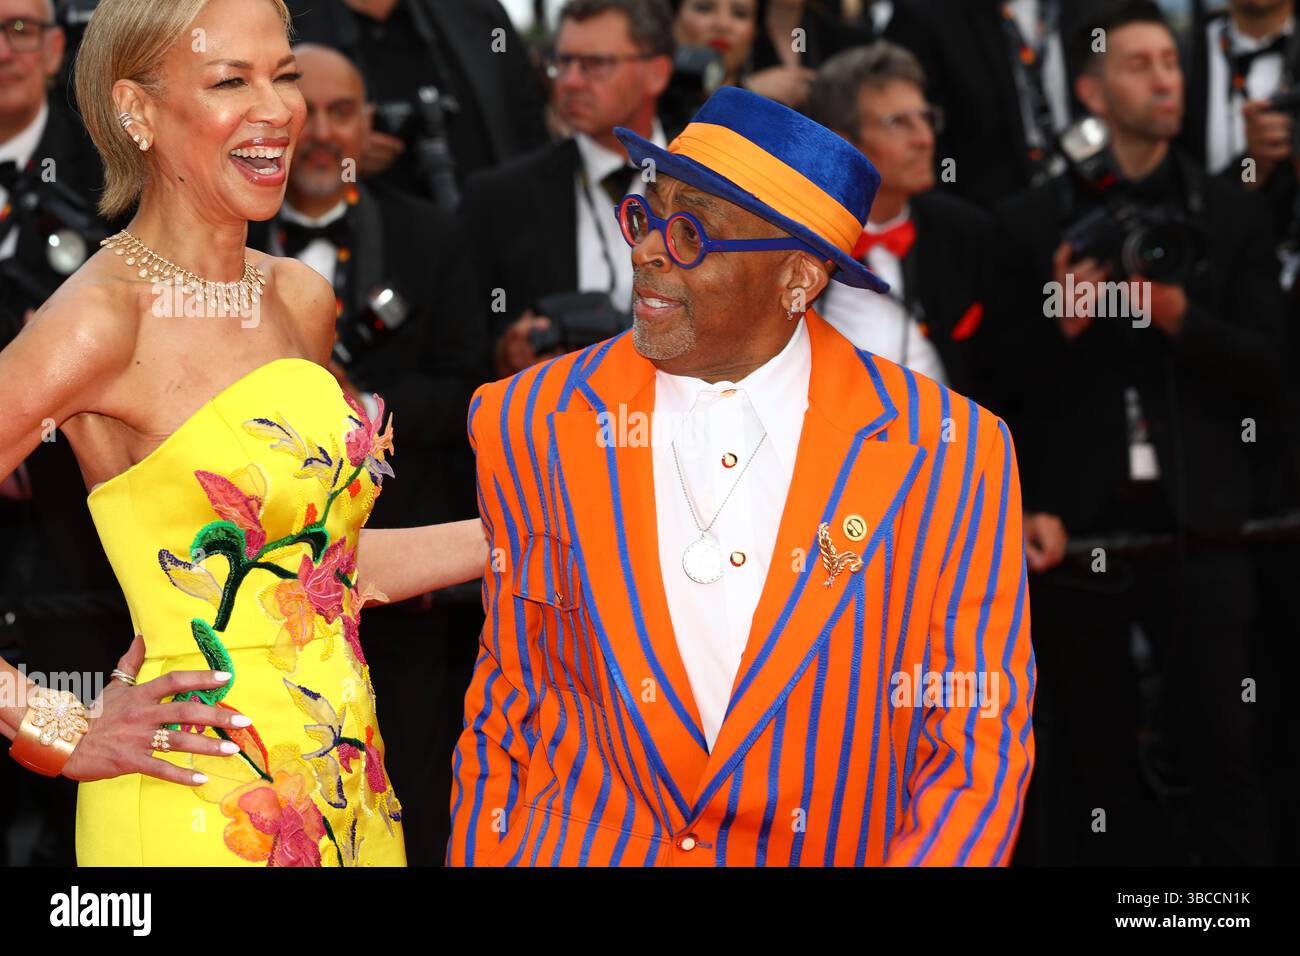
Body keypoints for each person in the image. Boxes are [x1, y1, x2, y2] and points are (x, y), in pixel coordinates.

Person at [448, 86, 1035, 866]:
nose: (648, 250)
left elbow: (975, 743)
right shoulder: (528, 422)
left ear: (799, 280)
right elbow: (510, 705)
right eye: (644, 216)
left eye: (691, 233)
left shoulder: (951, 451)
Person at [0, 0, 485, 867]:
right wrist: (54, 725)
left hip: (349, 785)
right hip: (194, 802)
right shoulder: (102, 321)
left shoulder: (299, 297)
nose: (278, 109)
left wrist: (533, 535)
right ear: (135, 111)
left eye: (285, 74)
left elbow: (321, 571)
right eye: (231, 80)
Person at [988, 0, 1282, 864]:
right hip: (1077, 531)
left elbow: (1272, 367)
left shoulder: (1229, 212)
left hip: (1208, 524)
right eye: (1140, 64)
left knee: (1228, 749)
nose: (1165, 79)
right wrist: (1062, 320)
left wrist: (1180, 315)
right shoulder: (1030, 223)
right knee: (1091, 763)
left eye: (1173, 62)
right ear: (1090, 89)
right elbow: (995, 384)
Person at [250, 42, 489, 866]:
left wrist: (354, 403)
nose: (319, 133)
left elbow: (472, 386)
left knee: (411, 792)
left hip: (407, 589)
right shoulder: (218, 249)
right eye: (302, 108)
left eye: (341, 112)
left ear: (369, 125)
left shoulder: (433, 235)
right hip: (255, 598)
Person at [465, 0, 674, 378]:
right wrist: (504, 353)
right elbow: (458, 352)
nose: (570, 81)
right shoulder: (499, 198)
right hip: (551, 424)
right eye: (562, 62)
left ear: (656, 73)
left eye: (595, 64)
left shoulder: (716, 186)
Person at [283, 0, 549, 206]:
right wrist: (339, 153)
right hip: (357, 249)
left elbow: (528, 126)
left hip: (487, 242)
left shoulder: (478, 13)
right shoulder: (281, 20)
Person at [887, 0, 1102, 206]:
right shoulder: (926, 15)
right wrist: (954, 209)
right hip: (987, 213)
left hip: (1090, 195)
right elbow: (922, 129)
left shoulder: (1093, 9)